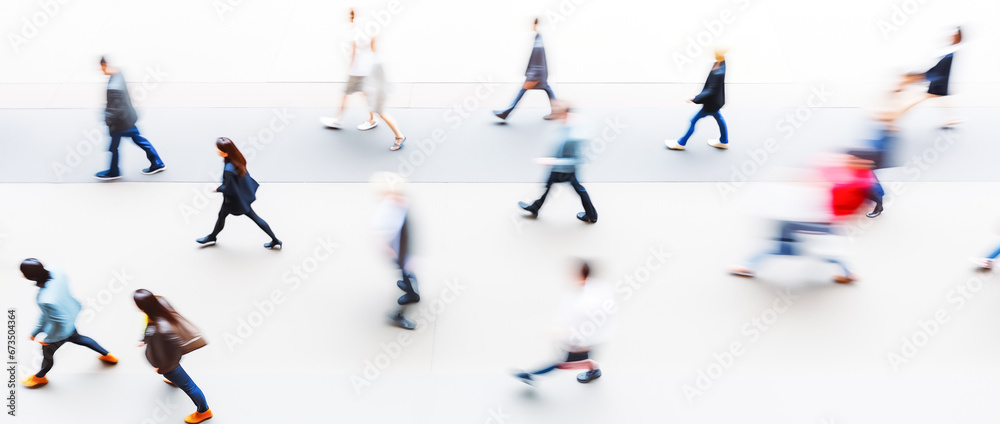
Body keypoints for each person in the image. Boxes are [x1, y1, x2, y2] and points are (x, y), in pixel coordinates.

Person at [729, 153, 875, 283]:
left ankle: (750, 264)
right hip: (824, 219)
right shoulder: (859, 178)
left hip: (819, 218)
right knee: (822, 246)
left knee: (785, 242)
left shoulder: (854, 182)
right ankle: (848, 272)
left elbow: (827, 183)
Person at [19, 259, 118, 388]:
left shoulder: (45, 299)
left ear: (30, 276)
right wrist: (35, 332)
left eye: (23, 273)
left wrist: (48, 339)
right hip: (70, 314)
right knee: (79, 338)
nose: (22, 275)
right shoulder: (57, 270)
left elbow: (55, 320)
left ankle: (40, 377)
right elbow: (50, 314)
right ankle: (108, 355)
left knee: (47, 355)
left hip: (60, 331)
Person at [514, 260, 613, 385]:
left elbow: (583, 318)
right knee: (573, 361)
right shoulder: (594, 291)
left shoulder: (588, 297)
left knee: (561, 363)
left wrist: (564, 333)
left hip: (584, 340)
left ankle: (532, 375)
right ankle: (594, 369)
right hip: (585, 339)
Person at [321, 8, 407, 151]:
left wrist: (350, 66)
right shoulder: (373, 48)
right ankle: (382, 125)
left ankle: (399, 136)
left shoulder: (358, 37)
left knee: (379, 110)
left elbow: (355, 53)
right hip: (371, 80)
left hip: (370, 81)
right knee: (373, 105)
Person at [134, 289, 212, 424]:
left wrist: (161, 367)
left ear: (142, 306)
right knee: (176, 376)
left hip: (169, 364)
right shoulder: (159, 303)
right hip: (170, 358)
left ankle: (204, 411)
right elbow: (148, 322)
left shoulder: (159, 331)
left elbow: (167, 351)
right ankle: (175, 379)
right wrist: (144, 338)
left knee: (189, 386)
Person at [518, 101, 598, 223]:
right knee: (552, 186)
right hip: (559, 167)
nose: (555, 115)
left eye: (558, 113)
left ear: (565, 113)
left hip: (563, 169)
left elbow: (576, 160)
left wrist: (551, 161)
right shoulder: (568, 125)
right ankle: (535, 207)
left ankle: (591, 215)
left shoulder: (573, 136)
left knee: (577, 189)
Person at [196, 137, 282, 249]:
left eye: (218, 149)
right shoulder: (238, 159)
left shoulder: (228, 169)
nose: (216, 150)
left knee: (225, 216)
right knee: (224, 216)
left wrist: (217, 189)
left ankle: (212, 236)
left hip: (234, 201)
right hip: (241, 197)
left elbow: (227, 187)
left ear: (225, 152)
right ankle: (275, 240)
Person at [95, 56, 166, 180]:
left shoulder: (113, 88)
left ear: (105, 65)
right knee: (136, 140)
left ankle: (114, 172)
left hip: (120, 124)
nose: (101, 71)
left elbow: (116, 110)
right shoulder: (118, 73)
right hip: (128, 118)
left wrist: (106, 118)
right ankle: (156, 163)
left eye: (101, 68)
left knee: (115, 147)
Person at [371, 172, 420, 329]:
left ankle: (406, 284)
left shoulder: (400, 203)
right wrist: (392, 252)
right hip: (400, 255)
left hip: (405, 254)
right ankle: (397, 315)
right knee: (413, 295)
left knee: (411, 278)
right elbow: (378, 233)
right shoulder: (387, 210)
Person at [889, 27, 963, 127]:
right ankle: (894, 119)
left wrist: (924, 76)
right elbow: (938, 70)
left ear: (957, 38)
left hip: (938, 85)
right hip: (937, 85)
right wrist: (923, 76)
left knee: (937, 102)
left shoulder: (949, 53)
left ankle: (894, 118)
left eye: (954, 35)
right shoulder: (948, 52)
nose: (951, 36)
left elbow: (940, 71)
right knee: (917, 102)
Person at [493, 18, 556, 121]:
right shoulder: (538, 39)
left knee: (523, 90)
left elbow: (538, 61)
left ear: (535, 25)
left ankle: (506, 112)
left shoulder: (538, 41)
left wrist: (532, 76)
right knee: (547, 90)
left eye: (533, 25)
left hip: (536, 75)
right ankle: (558, 112)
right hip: (539, 75)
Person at [665, 49, 728, 150]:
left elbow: (711, 91)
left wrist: (694, 98)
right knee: (719, 118)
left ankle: (681, 143)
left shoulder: (718, 72)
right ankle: (724, 141)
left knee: (693, 120)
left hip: (711, 104)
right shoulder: (721, 63)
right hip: (715, 102)